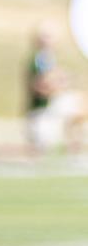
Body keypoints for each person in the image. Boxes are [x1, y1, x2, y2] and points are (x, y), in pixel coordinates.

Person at [25, 25, 86, 155]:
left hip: (51, 107)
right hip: (42, 110)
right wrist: (59, 84)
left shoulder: (48, 57)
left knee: (78, 104)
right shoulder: (40, 59)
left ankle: (74, 147)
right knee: (34, 152)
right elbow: (40, 87)